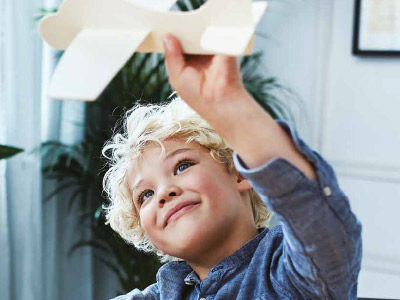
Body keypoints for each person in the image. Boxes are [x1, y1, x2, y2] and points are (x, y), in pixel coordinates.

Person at [102, 33, 362, 299]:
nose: (164, 193)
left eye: (182, 166)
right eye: (145, 194)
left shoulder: (291, 278)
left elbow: (315, 218)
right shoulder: (162, 294)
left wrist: (234, 107)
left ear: (239, 171)